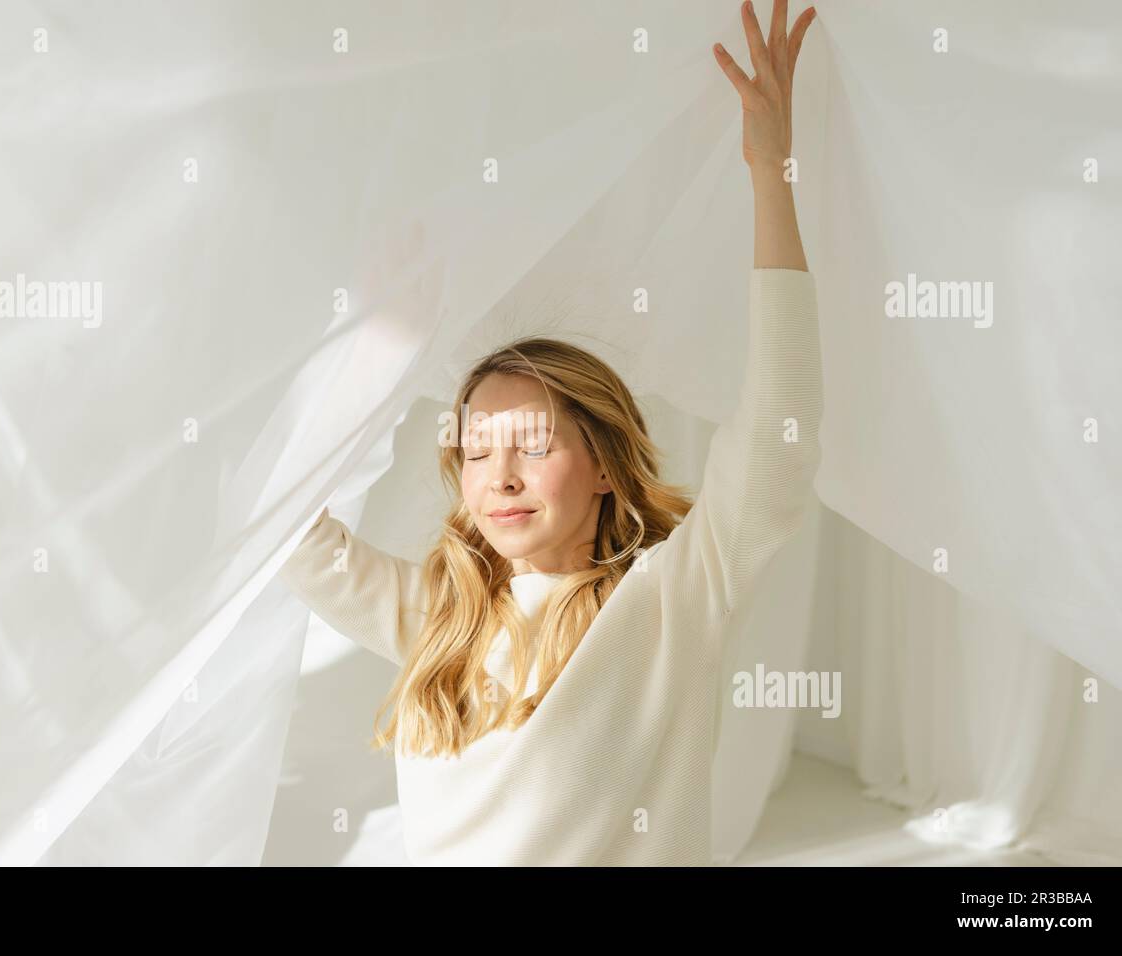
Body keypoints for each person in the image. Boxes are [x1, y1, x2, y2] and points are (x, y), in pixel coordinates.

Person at [277, 0, 822, 866]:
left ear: (604, 464)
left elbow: (778, 435)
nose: (500, 476)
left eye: (533, 445)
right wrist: (375, 354)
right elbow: (286, 529)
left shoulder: (671, 601)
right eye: (477, 450)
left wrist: (769, 171)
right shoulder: (437, 615)